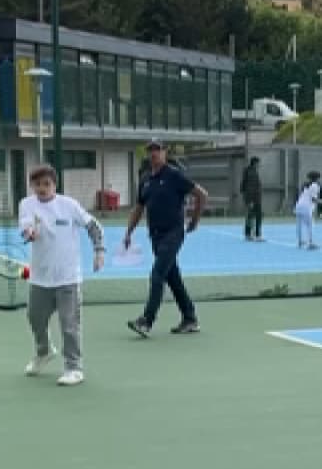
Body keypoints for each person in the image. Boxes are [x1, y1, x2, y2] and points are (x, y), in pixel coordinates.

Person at [18, 164, 105, 386]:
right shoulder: (26, 205)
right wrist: (30, 233)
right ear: (32, 186)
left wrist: (99, 251)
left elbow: (93, 226)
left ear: (54, 184)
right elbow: (26, 230)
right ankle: (44, 351)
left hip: (68, 278)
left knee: (69, 324)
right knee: (35, 318)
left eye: (46, 184)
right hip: (40, 278)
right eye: (37, 184)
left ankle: (74, 368)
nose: (42, 188)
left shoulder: (69, 205)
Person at [123, 139, 205, 338]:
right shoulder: (145, 179)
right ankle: (190, 318)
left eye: (158, 150)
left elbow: (202, 194)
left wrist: (195, 220)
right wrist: (129, 232)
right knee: (172, 277)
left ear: (165, 153)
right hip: (155, 235)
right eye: (150, 150)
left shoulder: (174, 175)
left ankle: (146, 321)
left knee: (157, 274)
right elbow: (139, 208)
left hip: (173, 233)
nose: (154, 153)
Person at [294, 171, 322, 250]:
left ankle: (300, 241)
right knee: (310, 225)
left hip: (298, 205)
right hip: (306, 207)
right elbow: (313, 199)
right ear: (317, 178)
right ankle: (311, 243)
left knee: (299, 225)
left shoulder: (305, 185)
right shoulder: (315, 185)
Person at [240, 157, 265, 242]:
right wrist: (249, 200)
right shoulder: (251, 173)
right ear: (255, 163)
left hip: (253, 197)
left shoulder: (250, 171)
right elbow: (249, 187)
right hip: (253, 198)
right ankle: (257, 235)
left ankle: (249, 234)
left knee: (251, 216)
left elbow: (243, 185)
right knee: (256, 216)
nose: (259, 165)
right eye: (258, 163)